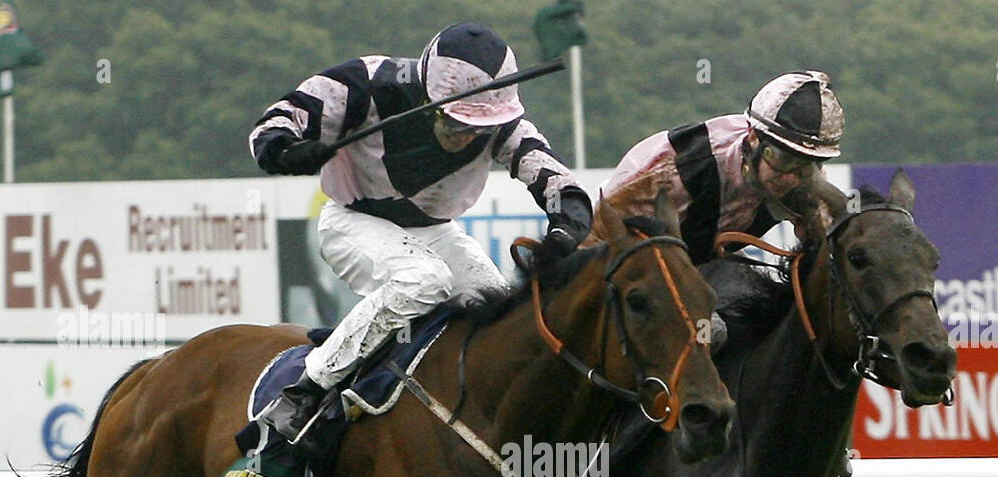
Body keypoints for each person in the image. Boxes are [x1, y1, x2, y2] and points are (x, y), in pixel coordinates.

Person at [250, 22, 593, 441]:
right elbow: (269, 129)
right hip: (352, 221)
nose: (467, 136)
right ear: (429, 97)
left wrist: (563, 234)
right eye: (455, 122)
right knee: (425, 280)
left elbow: (564, 188)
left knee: (497, 306)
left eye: (479, 130)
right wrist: (288, 151)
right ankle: (305, 391)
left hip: (434, 231)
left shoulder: (503, 121)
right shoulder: (363, 82)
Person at [592, 70, 845, 261]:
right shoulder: (678, 172)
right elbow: (599, 248)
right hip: (626, 252)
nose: (791, 178)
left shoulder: (805, 177)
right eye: (783, 158)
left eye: (807, 165)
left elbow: (833, 251)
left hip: (709, 258)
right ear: (753, 138)